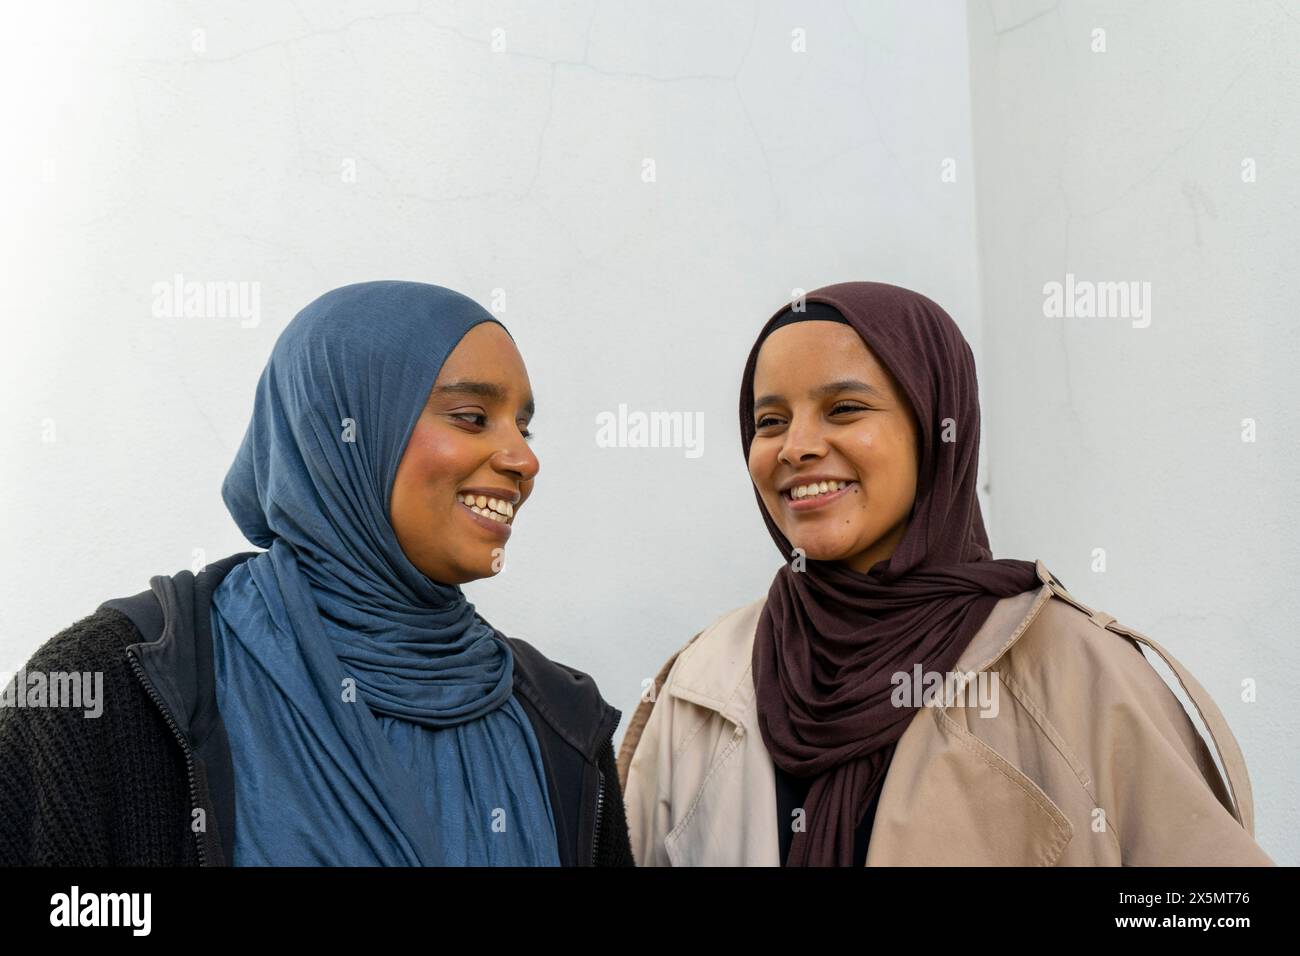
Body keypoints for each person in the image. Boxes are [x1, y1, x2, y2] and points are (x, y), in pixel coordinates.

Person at [616, 281, 1273, 867]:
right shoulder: (705, 683)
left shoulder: (1070, 667)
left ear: (936, 428)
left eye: (844, 409)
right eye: (770, 421)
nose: (797, 446)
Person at [0, 280, 632, 866]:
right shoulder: (111, 688)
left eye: (523, 425)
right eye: (471, 416)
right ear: (340, 430)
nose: (525, 458)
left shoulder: (562, 722)